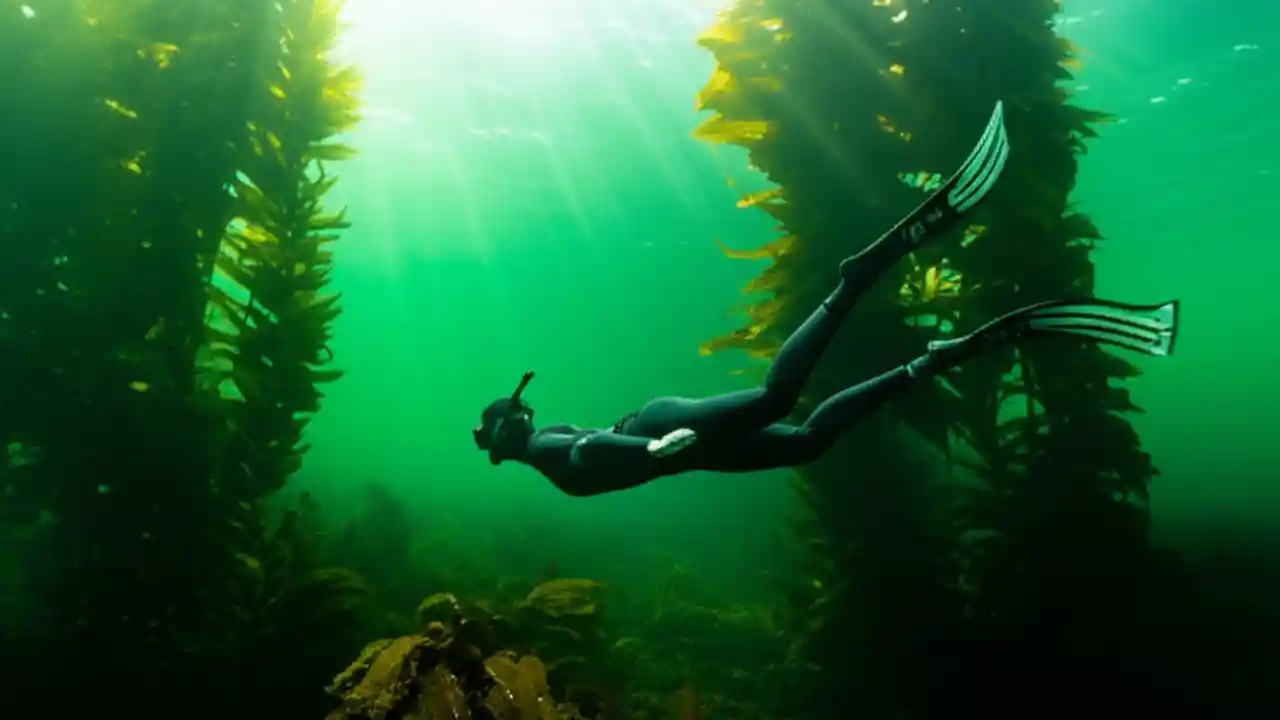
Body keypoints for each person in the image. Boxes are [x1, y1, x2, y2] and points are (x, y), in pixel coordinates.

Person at [471, 101, 1179, 497]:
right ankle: (926, 365)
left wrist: (649, 444)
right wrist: (652, 452)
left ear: (509, 431)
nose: (512, 435)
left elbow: (590, 451)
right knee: (809, 442)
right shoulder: (538, 446)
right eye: (509, 429)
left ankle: (854, 279)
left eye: (506, 429)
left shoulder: (545, 447)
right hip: (675, 447)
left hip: (664, 429)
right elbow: (590, 449)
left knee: (778, 401)